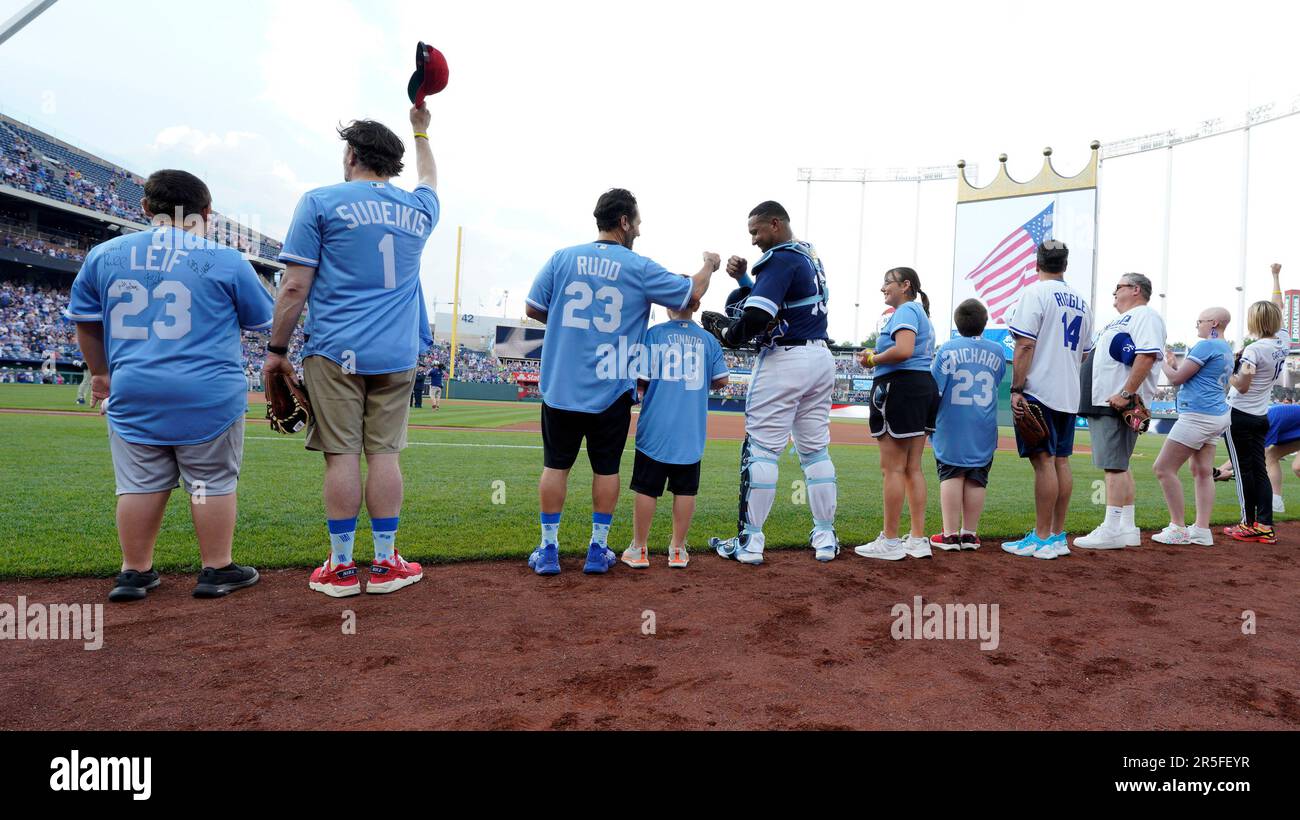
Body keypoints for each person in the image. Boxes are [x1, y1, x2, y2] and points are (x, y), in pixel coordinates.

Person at [65, 169, 274, 602]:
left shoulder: (104, 255)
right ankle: (216, 569)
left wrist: (101, 374)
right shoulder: (225, 258)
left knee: (139, 483)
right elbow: (261, 320)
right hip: (206, 393)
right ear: (206, 213)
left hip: (135, 388)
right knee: (209, 481)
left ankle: (134, 574)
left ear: (145, 208)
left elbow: (85, 322)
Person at [264, 106, 439, 597]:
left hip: (336, 349)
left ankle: (341, 569)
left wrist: (276, 350)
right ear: (393, 164)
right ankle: (386, 564)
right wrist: (421, 128)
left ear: (352, 155)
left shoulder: (320, 201)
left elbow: (295, 287)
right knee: (385, 455)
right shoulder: (420, 208)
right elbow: (430, 177)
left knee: (341, 456)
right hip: (398, 352)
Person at [524, 188, 716, 576]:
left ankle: (548, 550)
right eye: (638, 223)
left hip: (561, 383)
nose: (639, 231)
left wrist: (569, 329)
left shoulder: (562, 257)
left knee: (555, 467)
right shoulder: (638, 267)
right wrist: (709, 265)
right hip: (611, 387)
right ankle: (598, 550)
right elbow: (690, 292)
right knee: (605, 469)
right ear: (624, 221)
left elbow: (533, 307)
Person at [705, 201, 839, 565]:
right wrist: (745, 282)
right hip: (820, 357)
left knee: (762, 450)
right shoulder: (807, 255)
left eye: (756, 231)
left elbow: (759, 314)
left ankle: (750, 543)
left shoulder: (778, 258)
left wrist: (730, 333)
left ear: (775, 225)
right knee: (815, 452)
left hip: (785, 359)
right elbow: (785, 301)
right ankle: (825, 537)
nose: (753, 241)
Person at [997, 241, 1094, 559]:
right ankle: (1056, 535)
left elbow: (1024, 345)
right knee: (1062, 461)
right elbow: (1085, 353)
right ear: (1065, 264)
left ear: (1037, 262)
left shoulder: (1035, 293)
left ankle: (1041, 537)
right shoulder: (1081, 301)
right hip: (1068, 390)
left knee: (1043, 463)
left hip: (1040, 390)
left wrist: (1016, 388)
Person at [621, 302, 729, 569]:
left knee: (647, 489)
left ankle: (639, 549)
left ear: (670, 304)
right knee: (685, 490)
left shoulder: (653, 334)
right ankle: (678, 550)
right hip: (690, 429)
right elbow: (722, 380)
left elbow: (640, 380)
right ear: (697, 305)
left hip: (655, 427)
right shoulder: (708, 339)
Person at [1074, 272, 1166, 550]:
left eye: (1119, 287)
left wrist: (1126, 393)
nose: (1114, 292)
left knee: (1113, 466)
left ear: (1135, 289)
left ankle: (1111, 527)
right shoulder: (1122, 319)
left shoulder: (1145, 315)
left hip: (1116, 401)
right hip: (1107, 398)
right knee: (1119, 464)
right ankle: (1126, 527)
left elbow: (1147, 355)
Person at [853, 266, 938, 561]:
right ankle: (917, 538)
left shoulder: (904, 312)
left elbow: (903, 350)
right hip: (921, 387)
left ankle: (890, 540)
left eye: (887, 283)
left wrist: (873, 358)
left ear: (905, 285)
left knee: (893, 469)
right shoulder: (919, 312)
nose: (882, 289)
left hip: (899, 388)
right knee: (913, 468)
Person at [929, 298, 1006, 550]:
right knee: (976, 476)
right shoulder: (996, 350)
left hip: (951, 421)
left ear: (957, 323)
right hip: (982, 421)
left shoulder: (947, 348)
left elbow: (936, 387)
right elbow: (997, 379)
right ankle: (970, 535)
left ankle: (950, 535)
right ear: (984, 323)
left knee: (951, 472)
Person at [1150, 307, 1233, 545]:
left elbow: (1176, 380)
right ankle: (1201, 530)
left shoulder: (1207, 345)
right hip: (1216, 414)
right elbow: (1193, 376)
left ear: (1214, 323)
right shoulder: (1225, 348)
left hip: (1198, 414)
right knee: (1203, 472)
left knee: (1163, 468)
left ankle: (1177, 526)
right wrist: (1174, 364)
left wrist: (1160, 362)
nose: (1197, 325)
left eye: (1200, 321)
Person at [1222, 264, 1290, 544]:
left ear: (1254, 322)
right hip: (1261, 414)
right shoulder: (1282, 341)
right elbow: (1278, 306)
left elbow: (1243, 384)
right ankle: (1264, 524)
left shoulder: (1254, 349)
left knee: (1243, 472)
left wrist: (1227, 369)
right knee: (1259, 470)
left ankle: (1248, 524)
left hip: (1240, 414)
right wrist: (1275, 277)